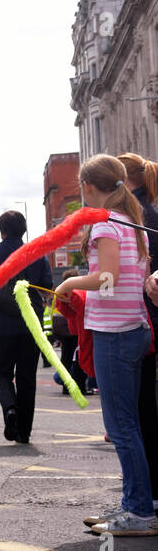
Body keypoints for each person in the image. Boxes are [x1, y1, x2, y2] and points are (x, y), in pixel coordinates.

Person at [63, 155, 156, 535]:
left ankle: (138, 512)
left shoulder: (106, 225)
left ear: (88, 187)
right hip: (132, 328)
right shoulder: (131, 222)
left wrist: (70, 284)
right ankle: (139, 503)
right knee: (130, 425)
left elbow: (108, 279)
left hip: (116, 334)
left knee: (121, 428)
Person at [0, 209, 53, 444]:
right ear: (24, 230)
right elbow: (46, 285)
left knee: (1, 375)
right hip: (31, 324)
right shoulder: (37, 252)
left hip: (0, 326)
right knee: (27, 377)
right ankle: (24, 432)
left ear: (1, 230)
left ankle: (10, 409)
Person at [119, 152, 158, 501]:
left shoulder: (138, 218)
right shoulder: (141, 214)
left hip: (143, 326)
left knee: (139, 415)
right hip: (145, 325)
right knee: (143, 413)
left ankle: (145, 498)